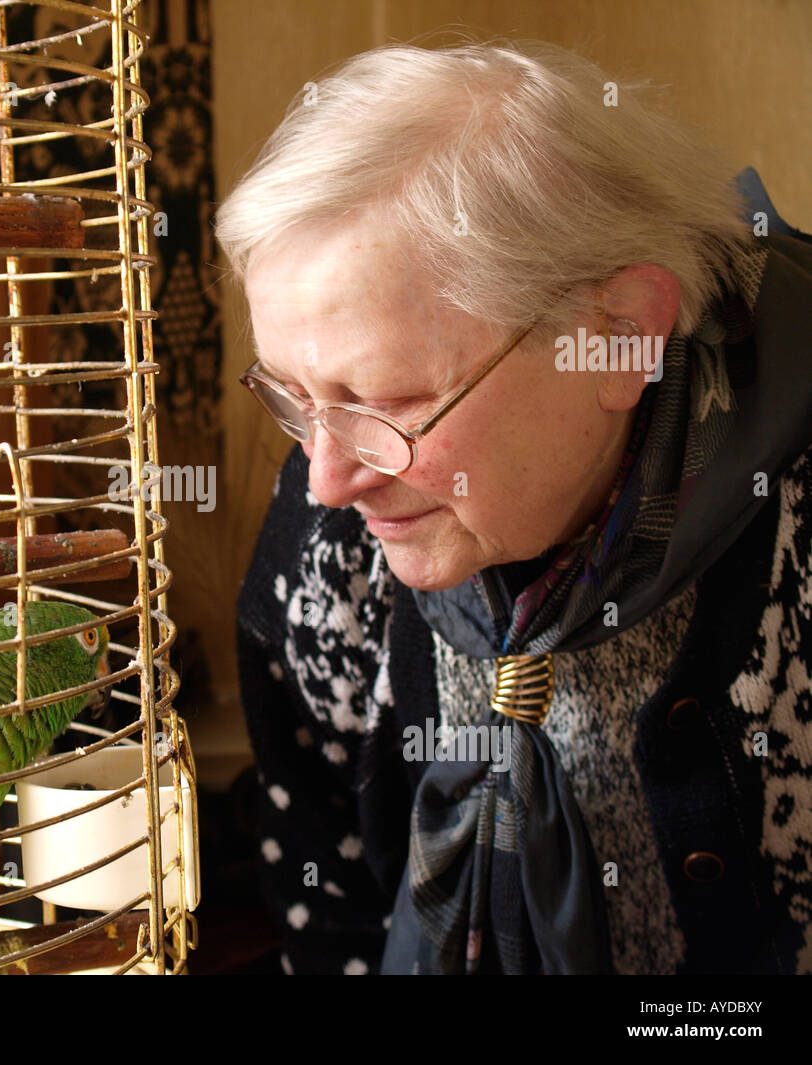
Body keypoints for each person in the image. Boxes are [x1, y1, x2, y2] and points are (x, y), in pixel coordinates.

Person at [216, 40, 812, 974]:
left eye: (390, 402)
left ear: (620, 337)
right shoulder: (333, 516)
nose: (326, 479)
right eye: (292, 395)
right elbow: (325, 902)